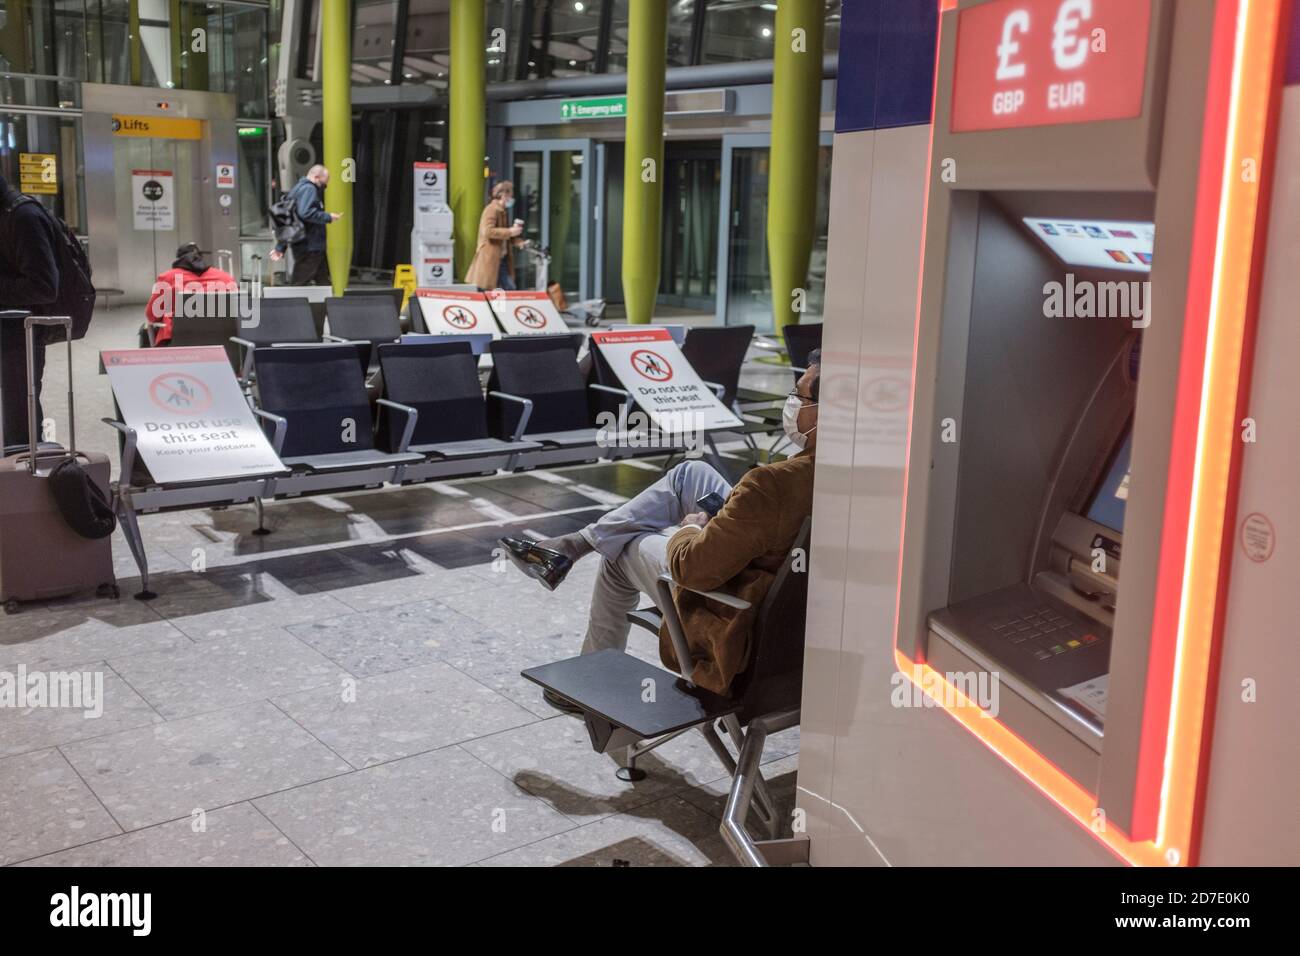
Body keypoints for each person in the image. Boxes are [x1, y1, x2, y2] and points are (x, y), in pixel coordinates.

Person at [498, 350, 822, 709]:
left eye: (800, 395)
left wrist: (690, 530)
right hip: (794, 610)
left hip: (741, 617)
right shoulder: (852, 475)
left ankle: (592, 676)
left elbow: (694, 570)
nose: (791, 403)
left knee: (622, 550)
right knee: (690, 473)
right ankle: (573, 545)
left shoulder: (772, 484)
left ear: (826, 413)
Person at [0, 173, 60, 449]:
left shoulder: (22, 216)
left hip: (18, 337)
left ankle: (23, 484)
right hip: (9, 334)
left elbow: (44, 286)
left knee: (20, 426)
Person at [143, 243, 238, 346]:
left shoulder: (167, 278)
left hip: (179, 347)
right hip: (224, 344)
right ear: (201, 257)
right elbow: (238, 311)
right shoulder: (225, 278)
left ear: (179, 259)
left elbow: (152, 315)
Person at [269, 165, 342, 285]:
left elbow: (289, 220)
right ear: (317, 177)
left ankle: (327, 303)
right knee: (299, 284)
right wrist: (328, 217)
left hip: (308, 245)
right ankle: (292, 303)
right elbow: (305, 212)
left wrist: (281, 247)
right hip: (310, 245)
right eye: (324, 184)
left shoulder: (297, 189)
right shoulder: (309, 189)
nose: (324, 187)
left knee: (323, 283)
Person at [464, 180, 524, 290]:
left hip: (501, 259)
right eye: (510, 194)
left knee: (506, 289)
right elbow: (487, 231)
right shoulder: (491, 210)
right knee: (492, 290)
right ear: (503, 195)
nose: (512, 198)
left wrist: (520, 241)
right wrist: (510, 231)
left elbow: (505, 236)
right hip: (490, 259)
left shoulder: (502, 211)